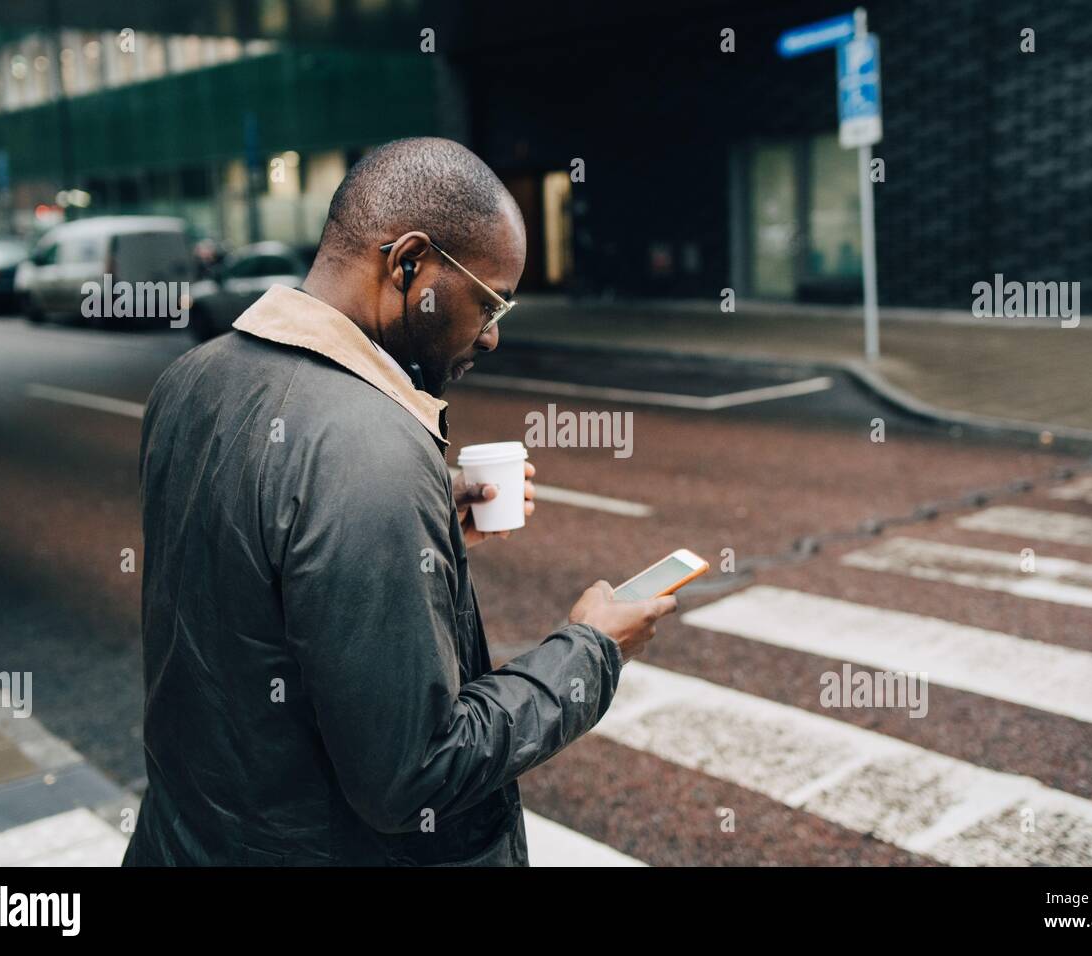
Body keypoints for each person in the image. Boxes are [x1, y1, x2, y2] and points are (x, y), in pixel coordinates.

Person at [122, 137, 677, 866]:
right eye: (488, 300)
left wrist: (427, 526)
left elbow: (252, 569)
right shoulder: (370, 445)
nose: (493, 333)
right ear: (409, 263)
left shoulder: (191, 380)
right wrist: (591, 652)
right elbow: (413, 776)